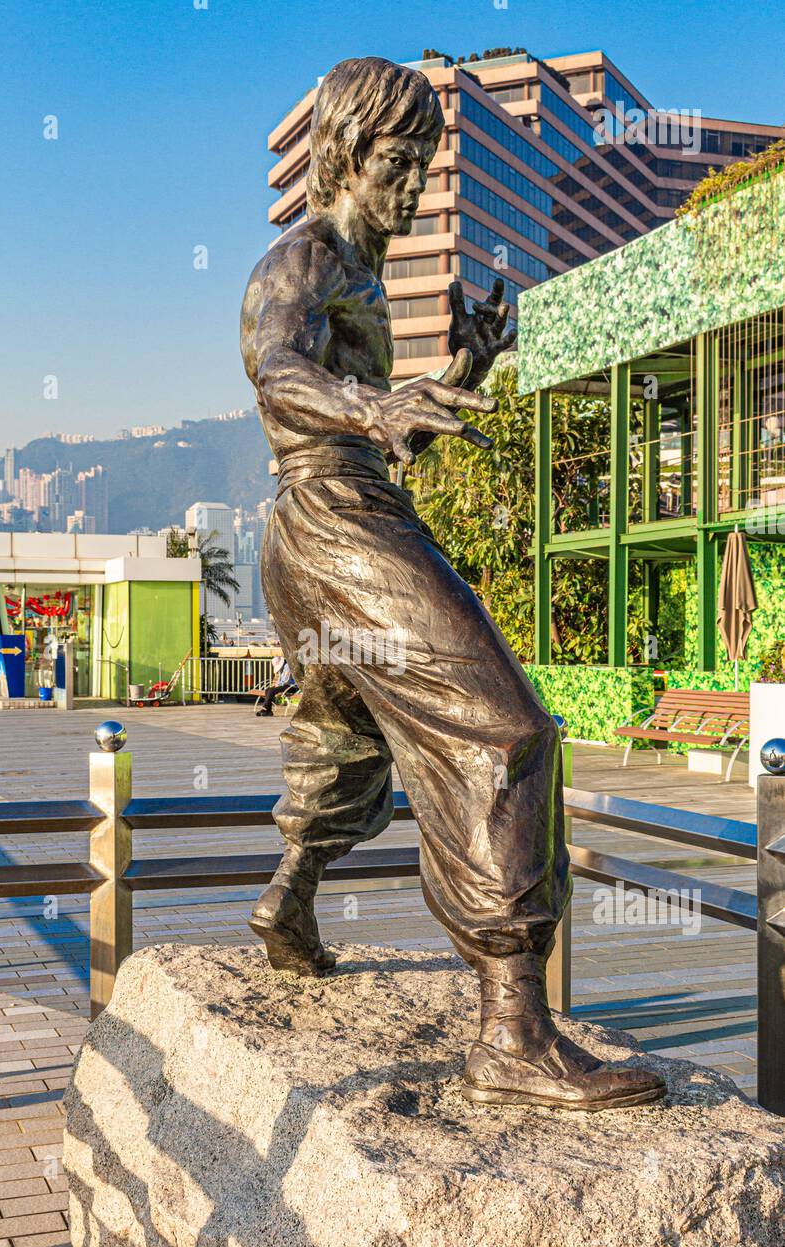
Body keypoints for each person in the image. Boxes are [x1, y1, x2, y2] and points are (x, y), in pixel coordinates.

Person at [239, 56, 664, 1111]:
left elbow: (380, 430)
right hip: (338, 523)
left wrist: (461, 369)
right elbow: (274, 368)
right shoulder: (304, 257)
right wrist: (369, 405)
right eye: (397, 162)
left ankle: (288, 897)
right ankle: (512, 1033)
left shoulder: (361, 278)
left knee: (346, 727)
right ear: (343, 153)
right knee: (504, 731)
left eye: (424, 165)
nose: (414, 186)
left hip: (312, 531)